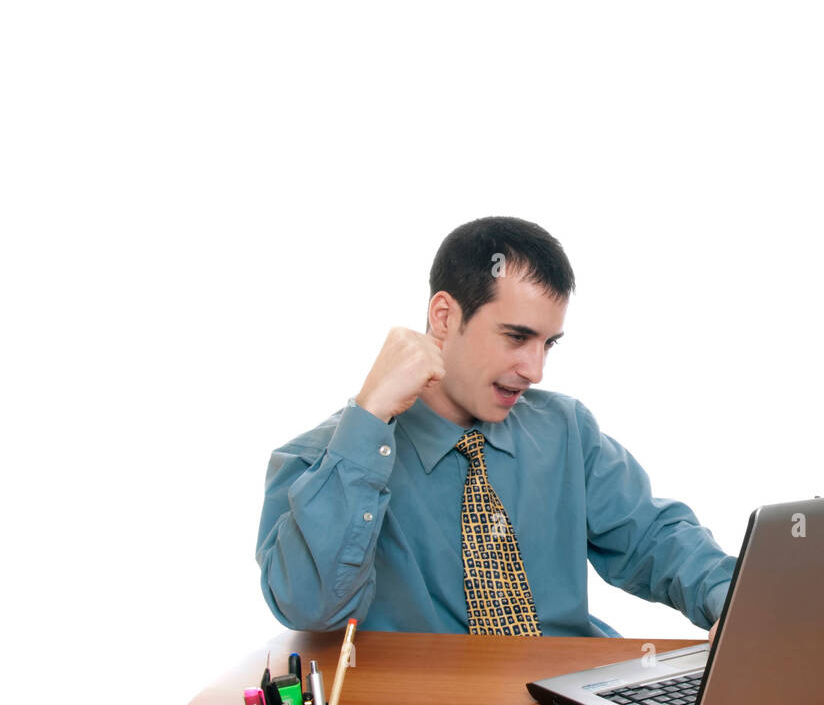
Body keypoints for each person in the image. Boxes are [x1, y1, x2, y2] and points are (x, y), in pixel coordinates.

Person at [256, 216, 735, 638]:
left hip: (572, 700)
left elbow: (655, 539)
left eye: (549, 343)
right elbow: (309, 608)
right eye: (517, 337)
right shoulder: (321, 459)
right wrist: (369, 417)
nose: (535, 369)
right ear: (444, 316)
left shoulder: (565, 430)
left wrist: (733, 603)